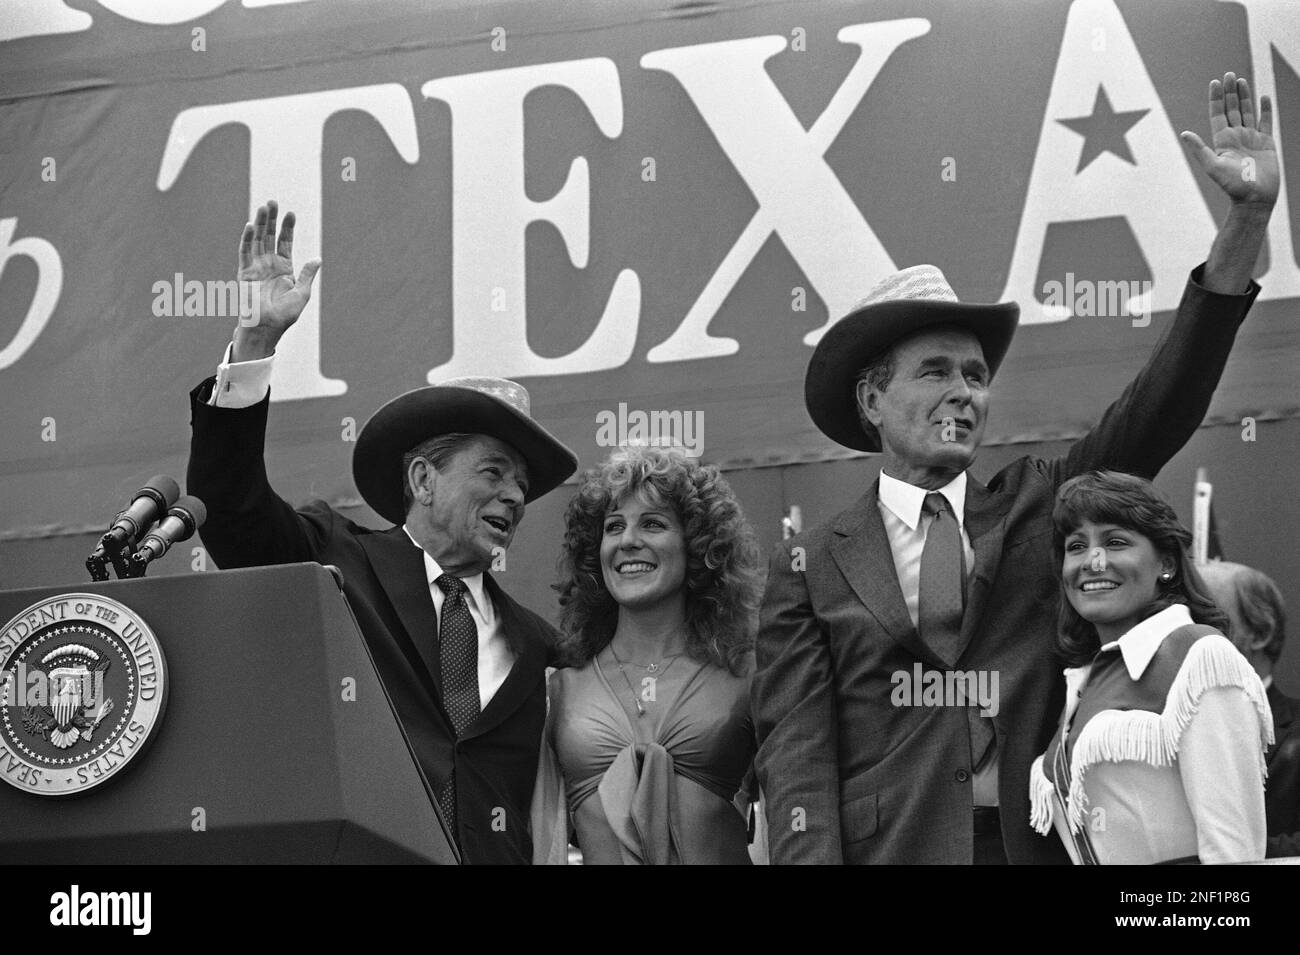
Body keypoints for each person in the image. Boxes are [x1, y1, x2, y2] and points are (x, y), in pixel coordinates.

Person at [753, 73, 1278, 864]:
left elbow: (1160, 407)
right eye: (934, 371)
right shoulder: (810, 567)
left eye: (976, 375)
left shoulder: (1042, 504)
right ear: (872, 398)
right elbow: (796, 761)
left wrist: (1245, 222)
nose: (964, 392)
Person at [187, 200, 578, 865]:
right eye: (493, 471)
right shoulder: (334, 565)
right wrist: (255, 344)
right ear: (424, 479)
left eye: (522, 484)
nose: (514, 494)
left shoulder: (540, 646)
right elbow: (230, 509)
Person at [530, 446, 762, 864]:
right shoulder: (559, 687)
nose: (629, 540)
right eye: (613, 526)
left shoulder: (748, 674)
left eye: (653, 524)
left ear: (697, 545)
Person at [1029, 471, 1272, 864]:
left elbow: (1233, 852)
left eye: (1115, 542)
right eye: (1076, 546)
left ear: (1167, 564)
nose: (1092, 561)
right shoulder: (1085, 678)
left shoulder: (1200, 656)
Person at [1201, 561, 1300, 857]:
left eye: (1204, 616)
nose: (1184, 633)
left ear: (1259, 633)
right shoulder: (1144, 729)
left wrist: (1219, 853)